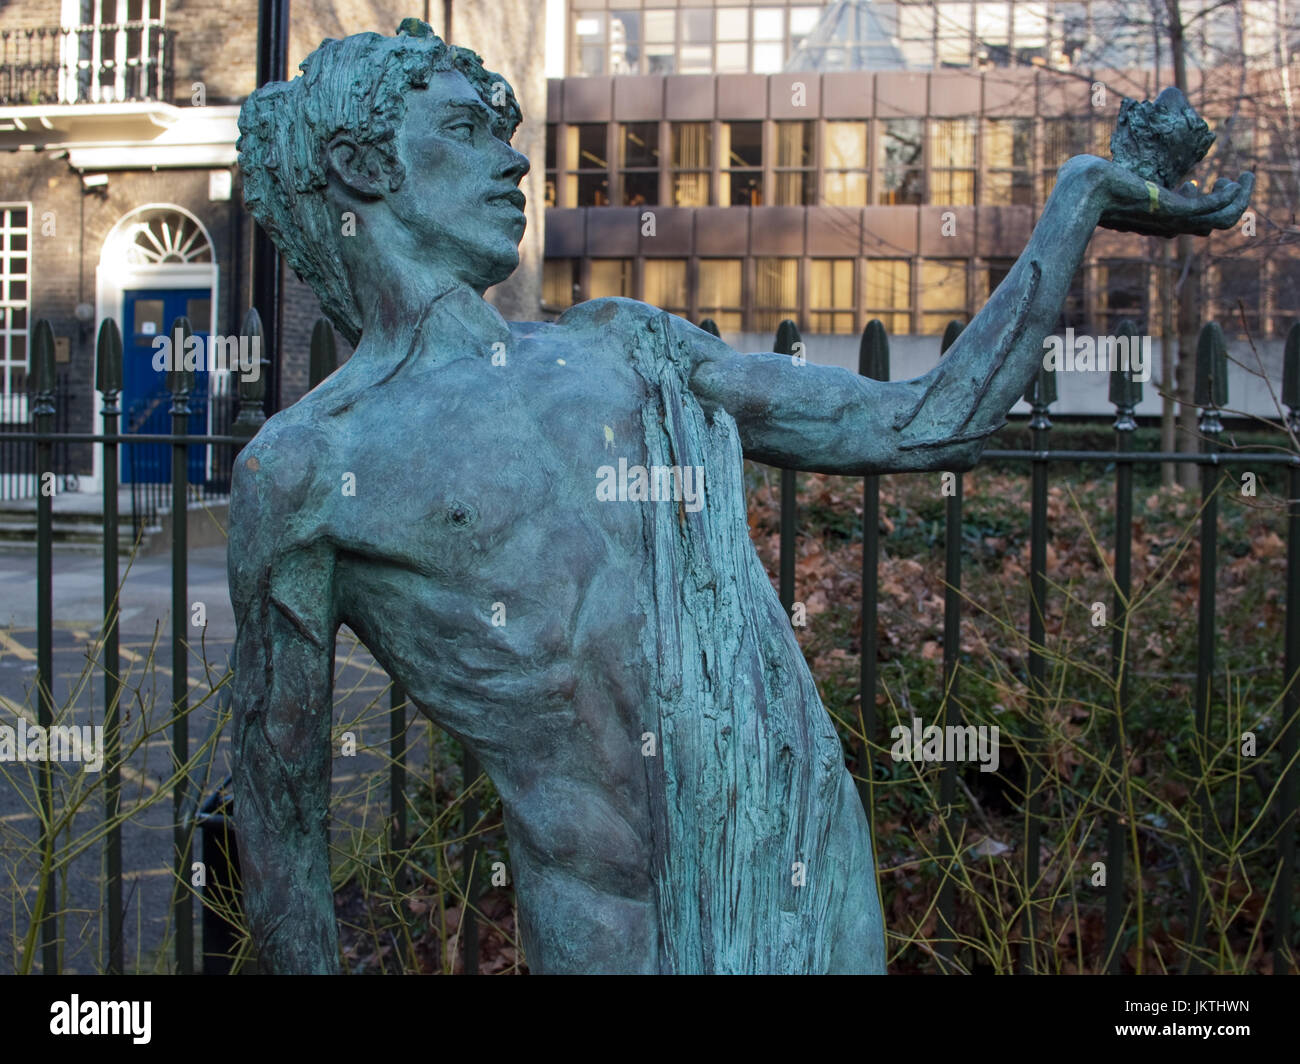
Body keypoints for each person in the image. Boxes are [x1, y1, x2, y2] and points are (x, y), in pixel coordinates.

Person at [231, 18, 1252, 974]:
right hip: (609, 927)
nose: (513, 163)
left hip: (800, 869)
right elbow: (281, 819)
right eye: (465, 130)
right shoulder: (309, 469)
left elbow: (924, 420)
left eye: (507, 134)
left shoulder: (628, 347)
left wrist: (1076, 202)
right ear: (363, 167)